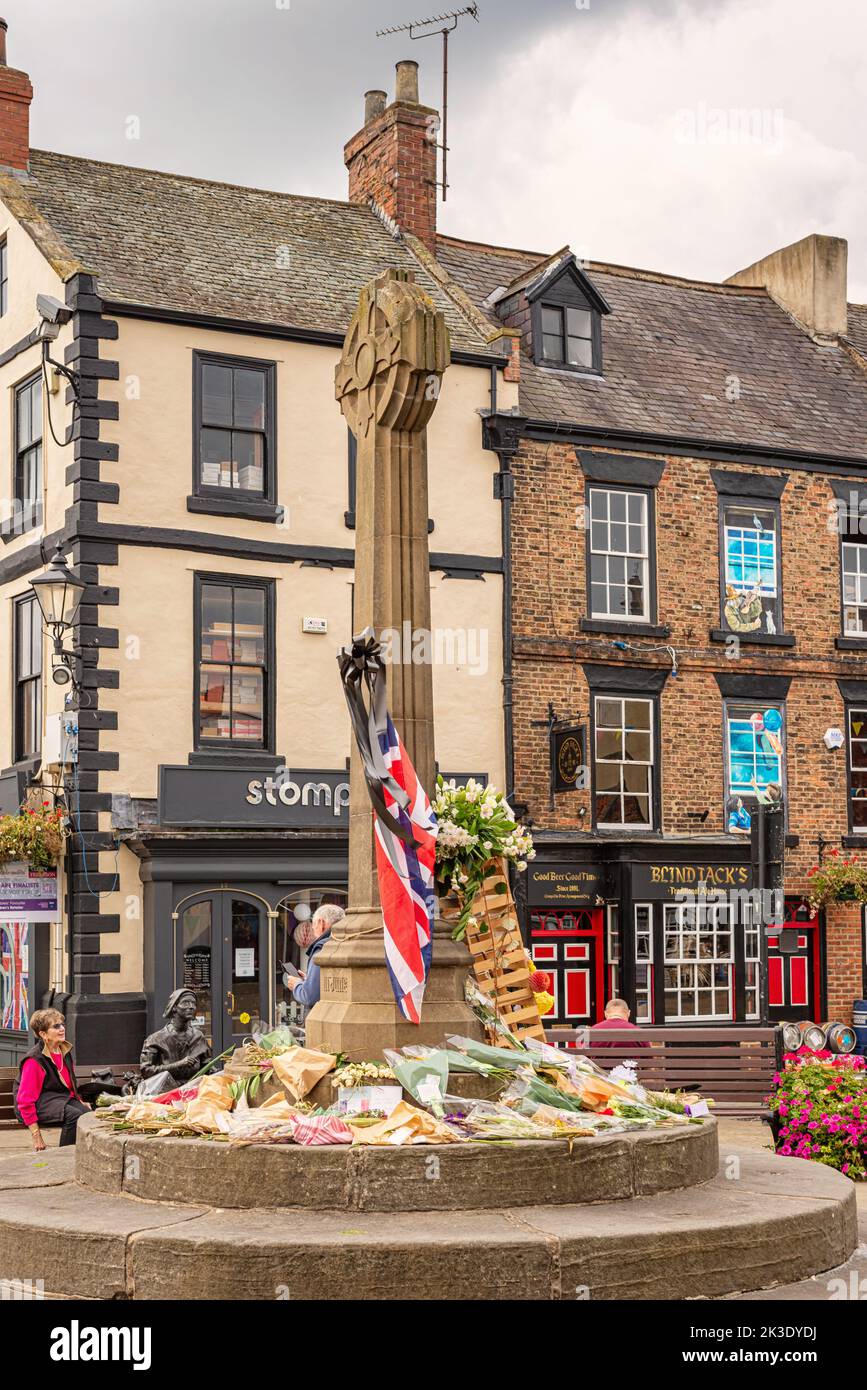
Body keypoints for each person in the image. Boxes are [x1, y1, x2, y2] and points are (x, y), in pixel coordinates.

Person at [13, 1008, 90, 1150]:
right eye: (56, 1026)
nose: (62, 1029)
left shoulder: (63, 1050)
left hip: (57, 1098)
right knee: (74, 1116)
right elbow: (25, 1101)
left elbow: (68, 1084)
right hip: (36, 1103)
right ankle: (64, 1156)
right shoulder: (34, 1060)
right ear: (43, 1034)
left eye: (62, 1024)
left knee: (87, 1115)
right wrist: (37, 1137)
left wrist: (79, 1102)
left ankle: (80, 1154)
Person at [285, 903, 345, 1021]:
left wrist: (296, 985)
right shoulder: (344, 943)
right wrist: (309, 980)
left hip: (323, 1019)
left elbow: (309, 996)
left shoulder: (321, 949)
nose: (312, 928)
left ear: (321, 923)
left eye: (313, 924)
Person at [139, 988, 211, 1085]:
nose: (191, 1007)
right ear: (174, 1007)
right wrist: (178, 1064)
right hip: (165, 1090)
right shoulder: (156, 1039)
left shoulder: (199, 1037)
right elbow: (146, 1071)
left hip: (194, 1090)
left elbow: (207, 1067)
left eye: (193, 1003)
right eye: (185, 1003)